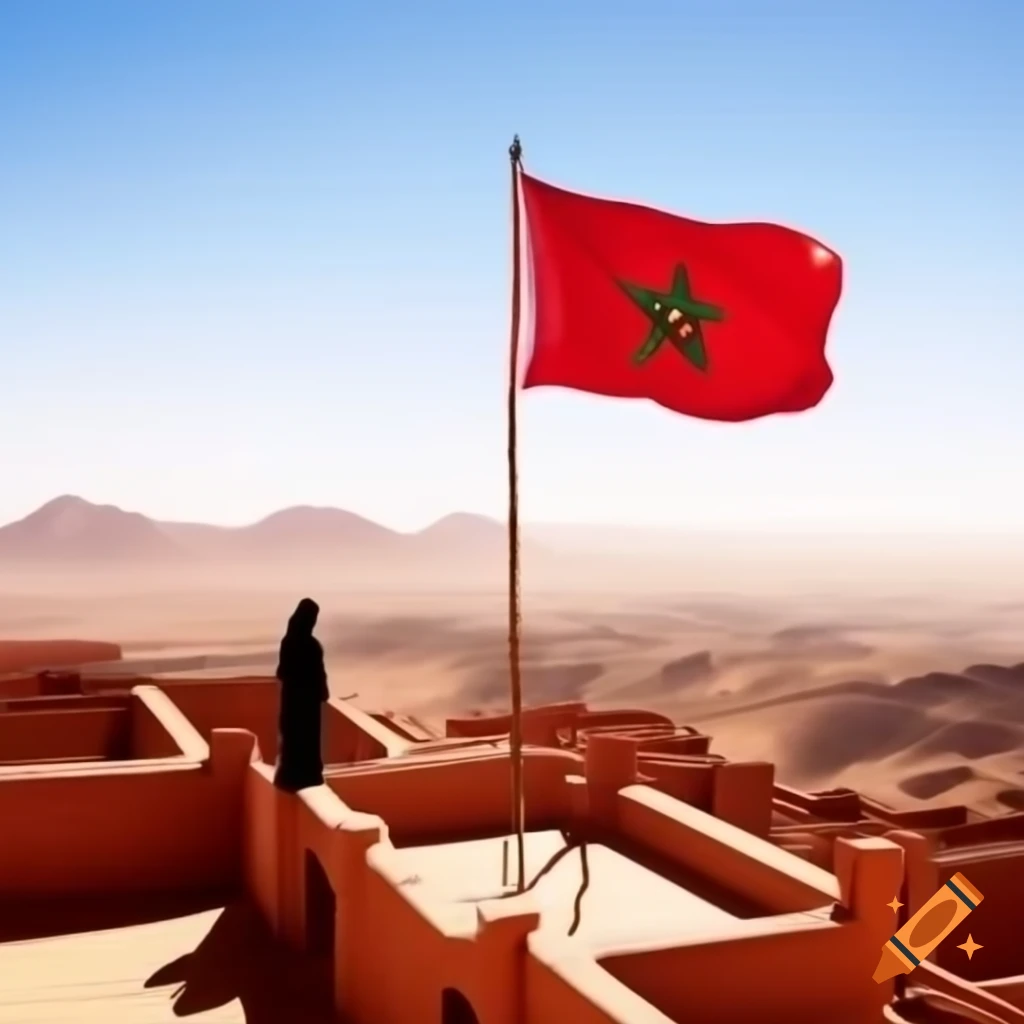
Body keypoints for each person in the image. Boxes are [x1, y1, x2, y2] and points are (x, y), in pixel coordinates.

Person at [274, 597, 328, 791]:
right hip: (308, 704)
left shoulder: (288, 642)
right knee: (307, 740)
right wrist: (321, 692)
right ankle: (308, 775)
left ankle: (290, 775)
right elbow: (319, 676)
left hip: (292, 702)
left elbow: (282, 672)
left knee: (293, 738)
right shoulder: (312, 646)